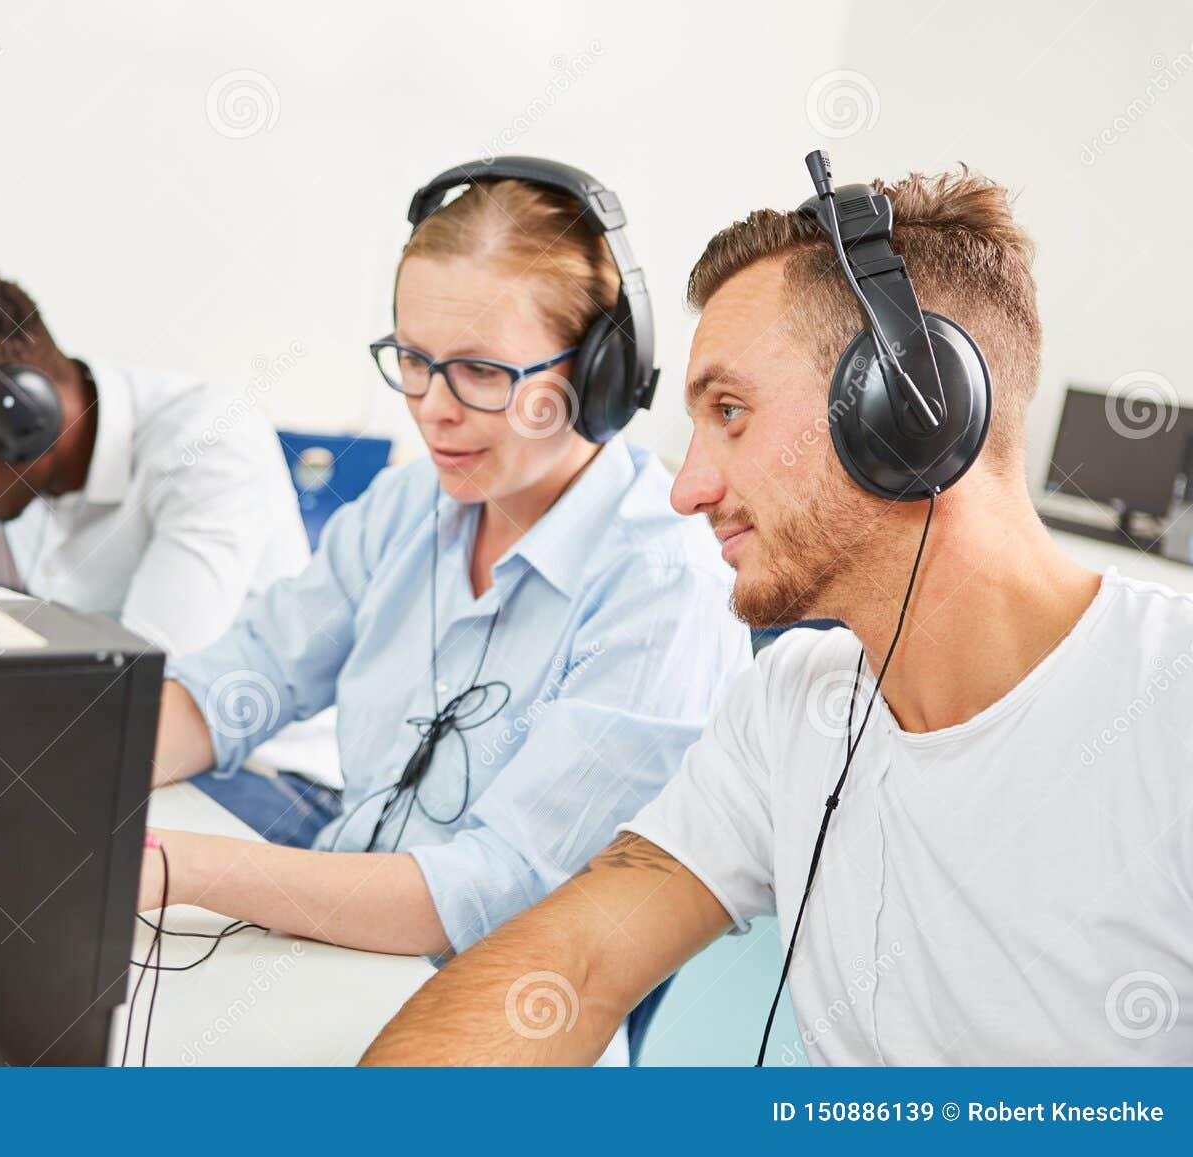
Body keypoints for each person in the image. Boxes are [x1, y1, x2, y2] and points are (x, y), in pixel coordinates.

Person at [361, 163, 1193, 1066]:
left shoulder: (1170, 708)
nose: (686, 488)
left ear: (909, 411)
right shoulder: (788, 705)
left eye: (731, 411)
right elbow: (574, 965)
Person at [145, 161, 749, 1067]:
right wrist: (76, 784)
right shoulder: (407, 506)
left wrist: (178, 865)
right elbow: (244, 677)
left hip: (485, 1038)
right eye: (413, 360)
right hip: (327, 951)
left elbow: (492, 890)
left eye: (478, 372)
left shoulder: (665, 588)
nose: (432, 409)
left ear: (599, 374)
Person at [0, 261, 309, 658]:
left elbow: (147, 680)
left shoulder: (207, 445)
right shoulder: (16, 467)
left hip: (225, 734)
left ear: (19, 416)